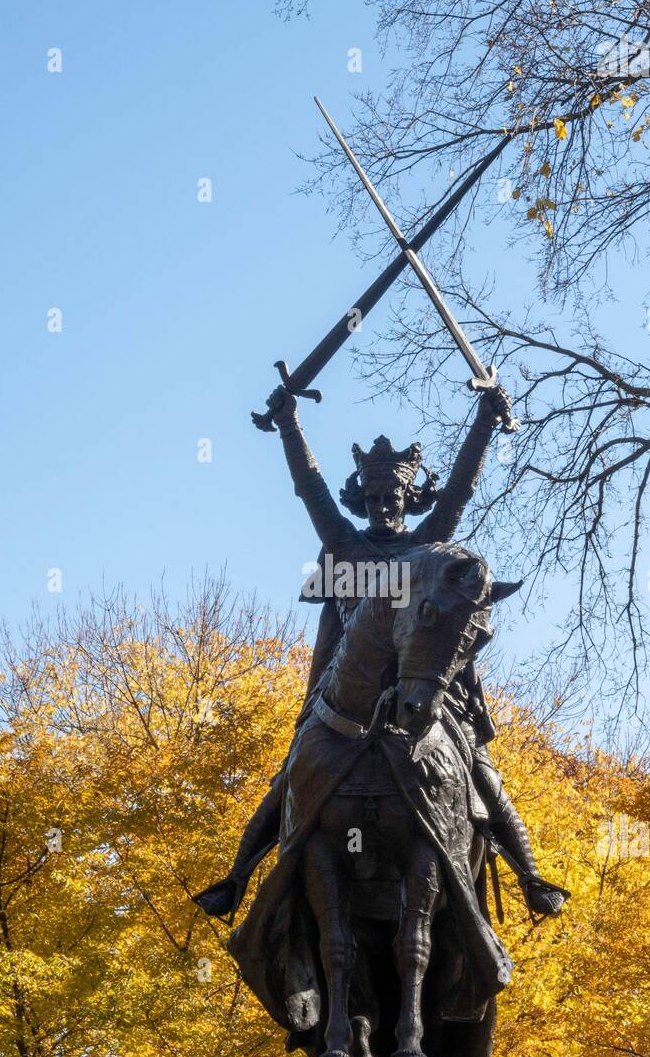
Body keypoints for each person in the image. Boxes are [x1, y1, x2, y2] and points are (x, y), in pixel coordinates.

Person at [193, 384, 568, 921]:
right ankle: (237, 878)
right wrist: (289, 425)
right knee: (294, 770)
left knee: (481, 767)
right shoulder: (345, 547)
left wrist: (485, 421)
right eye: (373, 499)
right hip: (346, 686)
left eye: (391, 498)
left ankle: (529, 873)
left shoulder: (427, 546)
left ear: (408, 499)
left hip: (423, 681)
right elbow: (311, 489)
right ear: (362, 501)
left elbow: (459, 490)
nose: (382, 506)